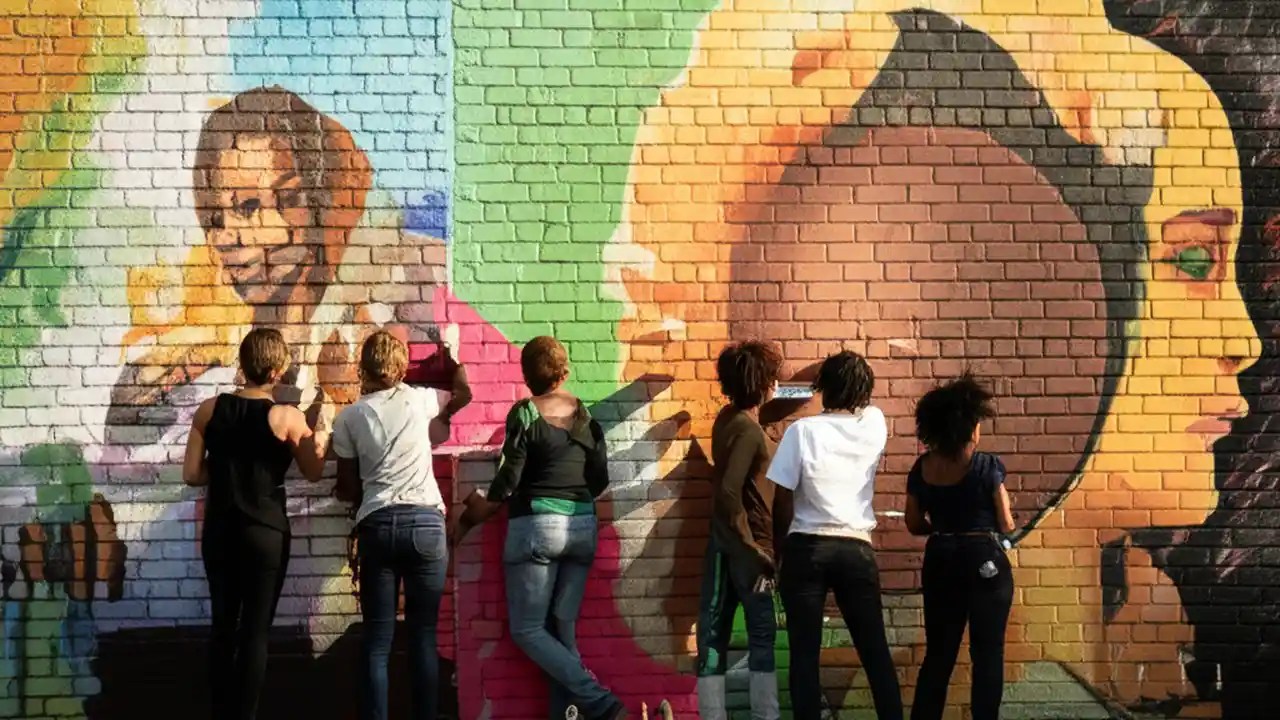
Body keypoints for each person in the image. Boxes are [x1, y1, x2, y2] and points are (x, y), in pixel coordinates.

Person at [451, 336, 625, 720]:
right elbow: (598, 480)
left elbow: (507, 480)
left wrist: (478, 509)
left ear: (527, 376)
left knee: (528, 630)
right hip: (581, 528)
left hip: (537, 530)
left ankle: (599, 701)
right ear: (564, 374)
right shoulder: (586, 418)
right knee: (562, 632)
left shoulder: (525, 414)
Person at [181, 328, 327, 720]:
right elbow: (313, 472)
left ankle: (219, 713)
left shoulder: (210, 410)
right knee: (255, 632)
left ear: (241, 365)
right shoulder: (287, 417)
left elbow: (192, 475)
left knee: (222, 626)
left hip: (220, 532)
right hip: (266, 535)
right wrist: (321, 435)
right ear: (278, 370)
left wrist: (228, 468)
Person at [330, 330, 472, 720]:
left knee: (377, 641)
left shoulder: (350, 418)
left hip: (377, 525)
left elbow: (346, 486)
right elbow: (464, 394)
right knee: (423, 635)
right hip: (425, 523)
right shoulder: (421, 399)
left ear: (364, 368)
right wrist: (454, 358)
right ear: (400, 367)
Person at [766, 350, 902, 720]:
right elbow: (863, 403)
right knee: (875, 650)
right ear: (864, 391)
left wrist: (780, 554)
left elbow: (782, 500)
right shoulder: (874, 425)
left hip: (806, 547)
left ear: (824, 388)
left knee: (804, 656)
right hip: (855, 549)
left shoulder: (801, 431)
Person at [905, 375, 1016, 720]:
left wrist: (940, 528)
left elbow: (913, 522)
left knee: (939, 654)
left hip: (940, 558)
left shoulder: (922, 468)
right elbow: (1006, 522)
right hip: (984, 560)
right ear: (970, 427)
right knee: (987, 654)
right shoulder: (986, 466)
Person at [696, 341, 784, 720]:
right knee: (762, 636)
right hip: (750, 549)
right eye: (773, 378)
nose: (778, 383)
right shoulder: (749, 431)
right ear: (762, 384)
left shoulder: (727, 421)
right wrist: (754, 549)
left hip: (723, 544)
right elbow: (730, 491)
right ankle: (767, 715)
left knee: (713, 636)